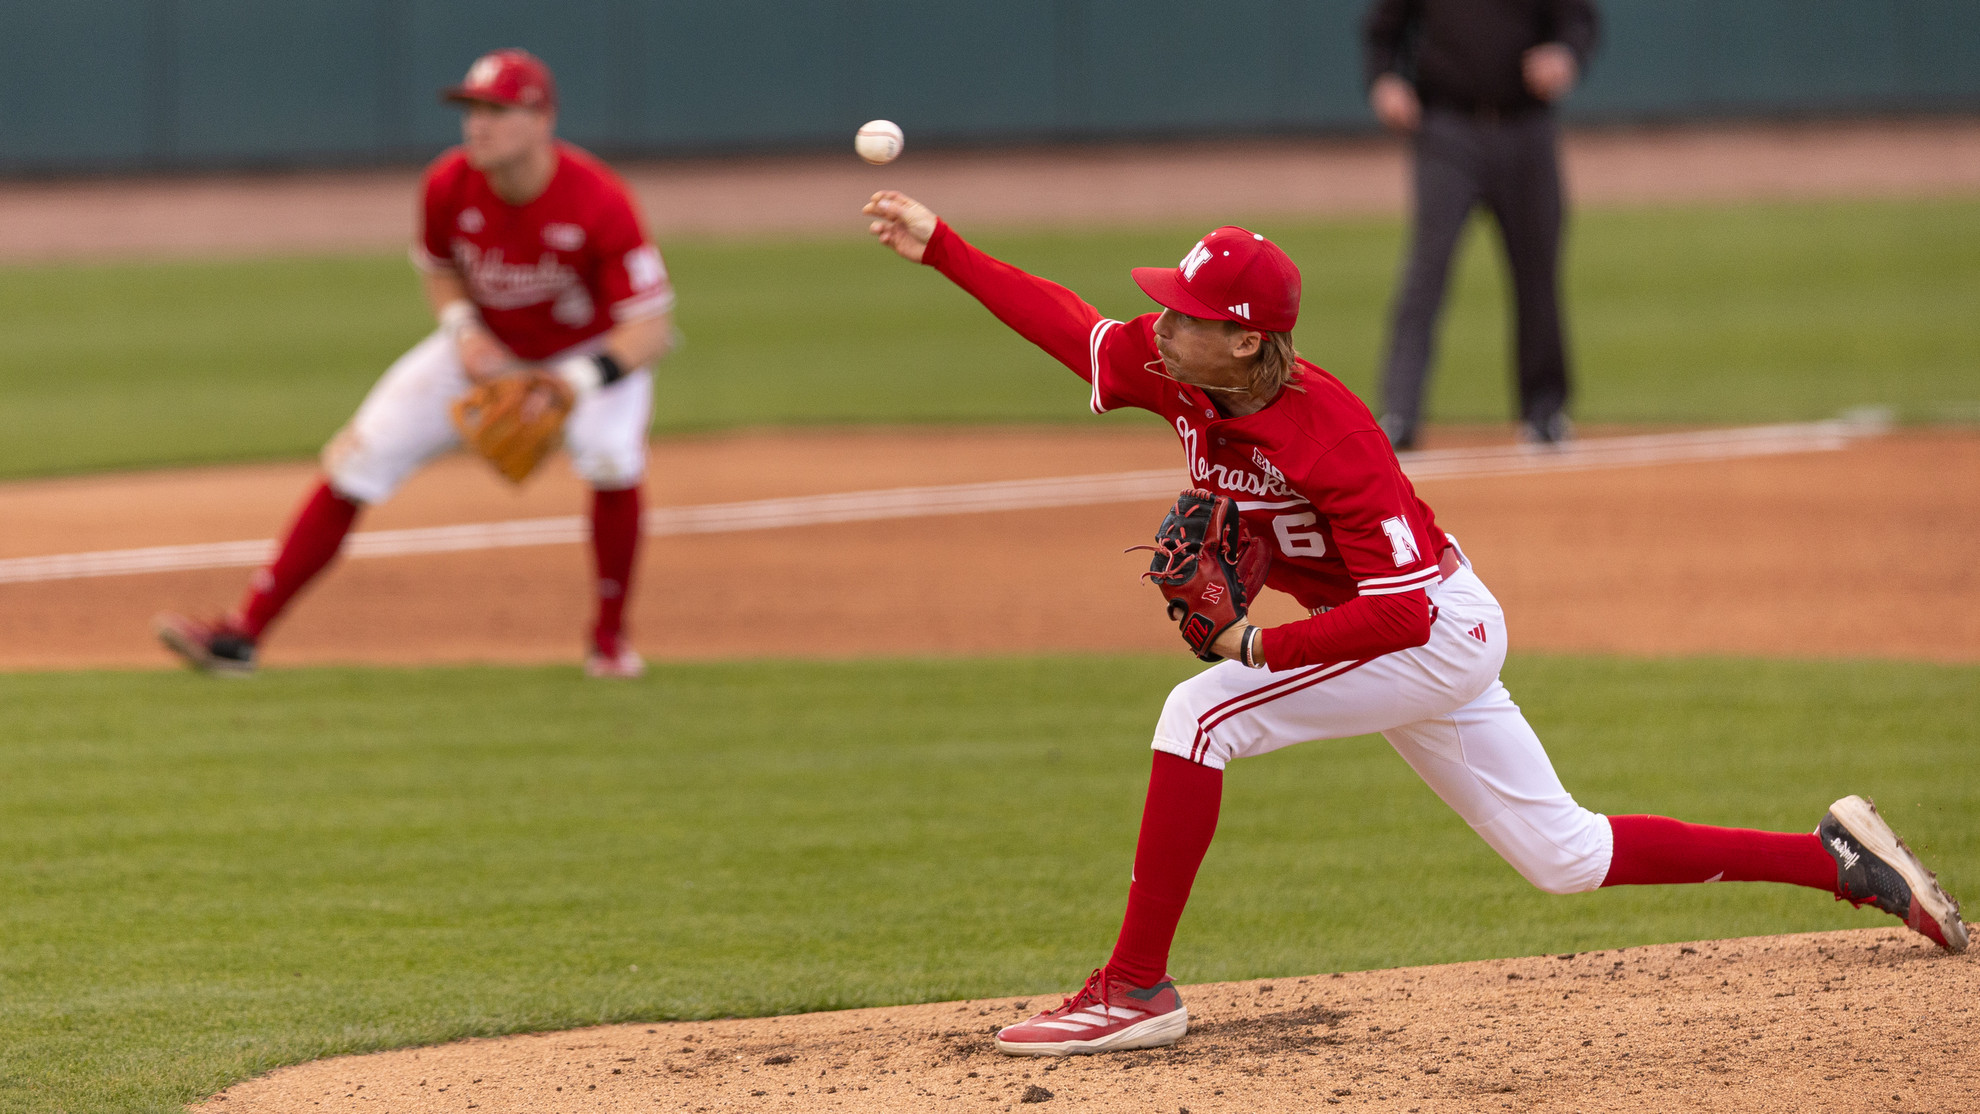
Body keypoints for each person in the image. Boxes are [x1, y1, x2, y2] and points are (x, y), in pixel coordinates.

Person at [861, 190, 1967, 1058]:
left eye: (1189, 312)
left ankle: (1134, 989)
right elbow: (1073, 327)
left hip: (1426, 632)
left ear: (1246, 343)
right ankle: (1836, 861)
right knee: (1565, 856)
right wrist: (943, 245)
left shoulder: (1332, 435)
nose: (1162, 319)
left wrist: (1255, 648)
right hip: (1400, 634)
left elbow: (1399, 617)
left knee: (1201, 714)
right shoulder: (1177, 367)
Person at [155, 49, 675, 679]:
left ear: (542, 120)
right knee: (359, 456)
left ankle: (610, 643)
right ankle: (242, 637)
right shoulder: (448, 184)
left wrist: (571, 383)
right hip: (484, 349)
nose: (477, 124)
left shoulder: (598, 200)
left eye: (496, 110)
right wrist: (462, 329)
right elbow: (439, 271)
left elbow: (649, 329)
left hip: (585, 359)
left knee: (612, 457)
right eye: (471, 110)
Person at [1363, 0, 1598, 450]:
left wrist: (1565, 54)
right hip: (1447, 127)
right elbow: (1384, 28)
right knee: (1426, 274)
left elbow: (1578, 18)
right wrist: (1385, 79)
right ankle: (1400, 414)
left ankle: (1544, 411)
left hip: (1525, 125)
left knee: (1537, 274)